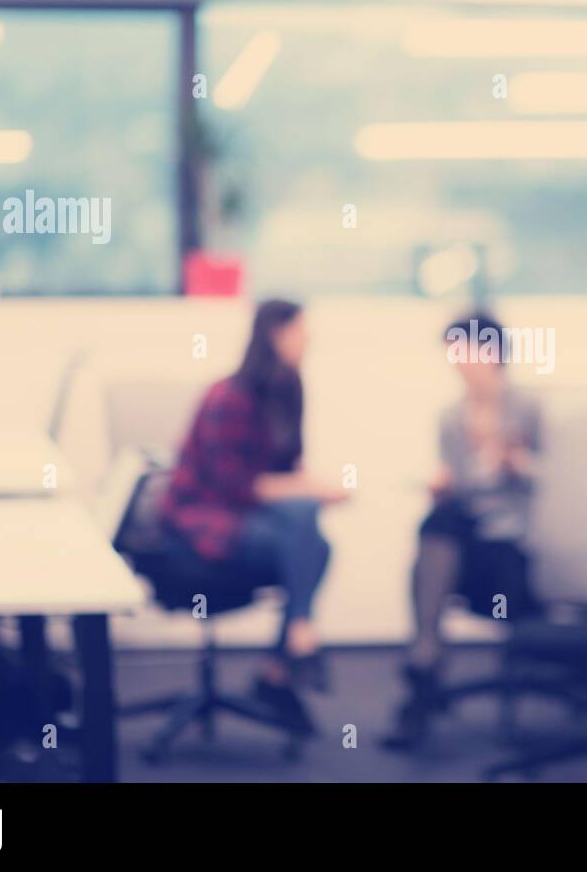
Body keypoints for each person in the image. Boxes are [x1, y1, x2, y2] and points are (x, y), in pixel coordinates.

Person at [160, 299, 349, 733]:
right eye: (301, 331)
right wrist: (308, 490)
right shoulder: (229, 396)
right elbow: (235, 487)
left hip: (255, 519)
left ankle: (285, 652)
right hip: (203, 520)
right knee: (310, 535)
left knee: (308, 528)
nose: (309, 340)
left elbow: (287, 467)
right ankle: (286, 656)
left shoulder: (291, 390)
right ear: (275, 335)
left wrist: (318, 485)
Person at [380, 311, 543, 750]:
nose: (457, 361)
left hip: (516, 545)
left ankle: (424, 666)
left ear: (491, 351)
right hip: (469, 539)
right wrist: (443, 487)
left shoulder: (529, 406)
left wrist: (518, 463)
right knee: (439, 521)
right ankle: (427, 653)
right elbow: (463, 490)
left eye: (464, 349)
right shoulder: (451, 418)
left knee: (439, 534)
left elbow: (562, 483)